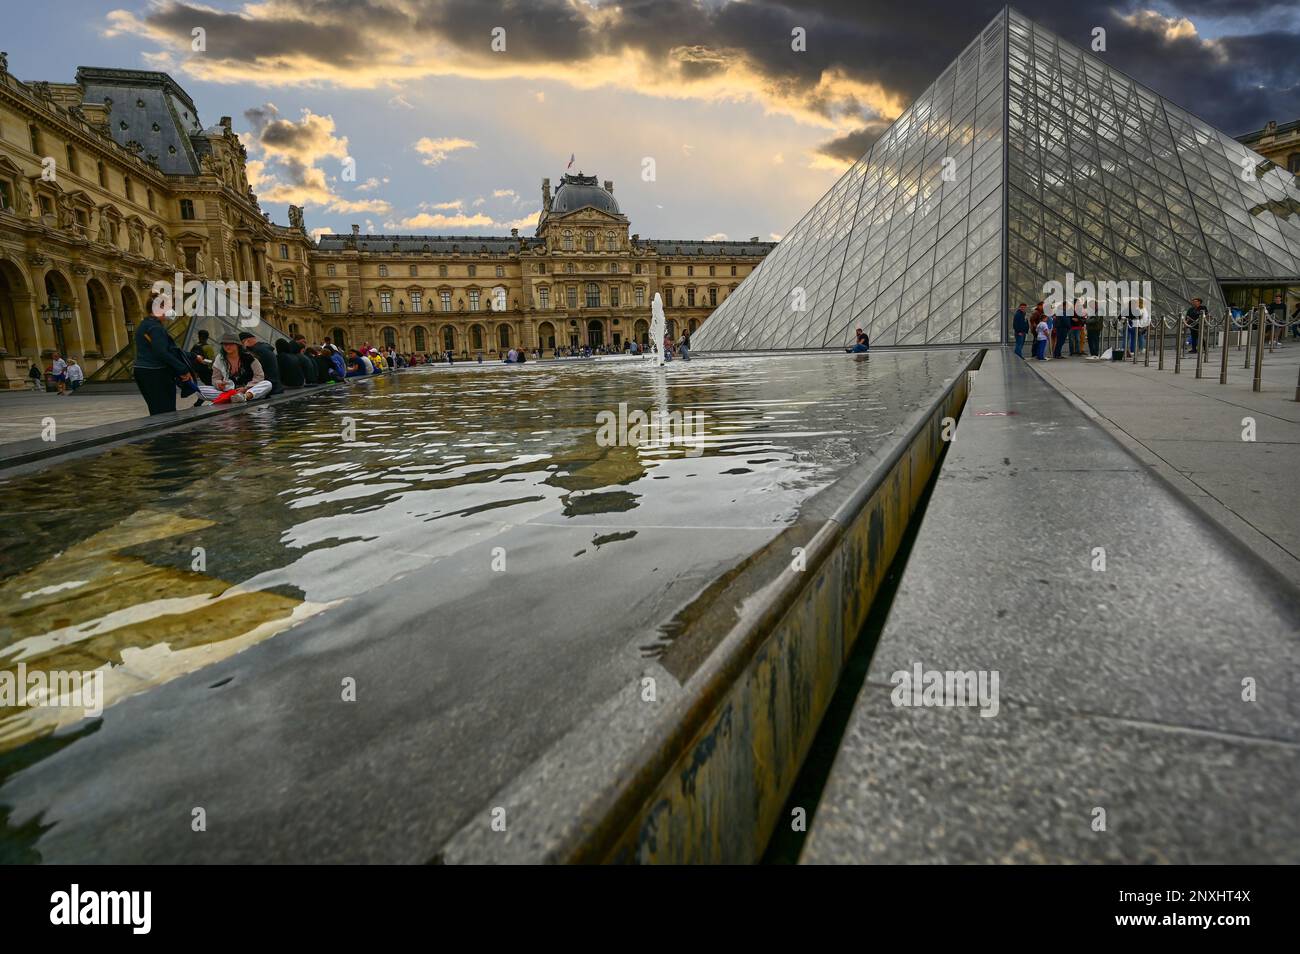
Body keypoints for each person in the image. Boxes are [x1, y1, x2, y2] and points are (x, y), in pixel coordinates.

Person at [132, 299, 192, 415]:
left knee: (156, 410)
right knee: (166, 411)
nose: (170, 311)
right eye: (168, 307)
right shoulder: (155, 328)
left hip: (143, 371)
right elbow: (162, 352)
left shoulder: (144, 325)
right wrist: (183, 369)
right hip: (156, 372)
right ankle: (168, 433)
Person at [239, 330, 283, 395]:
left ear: (247, 341)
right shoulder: (264, 348)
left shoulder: (256, 352)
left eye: (242, 343)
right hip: (276, 386)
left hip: (269, 388)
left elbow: (250, 372)